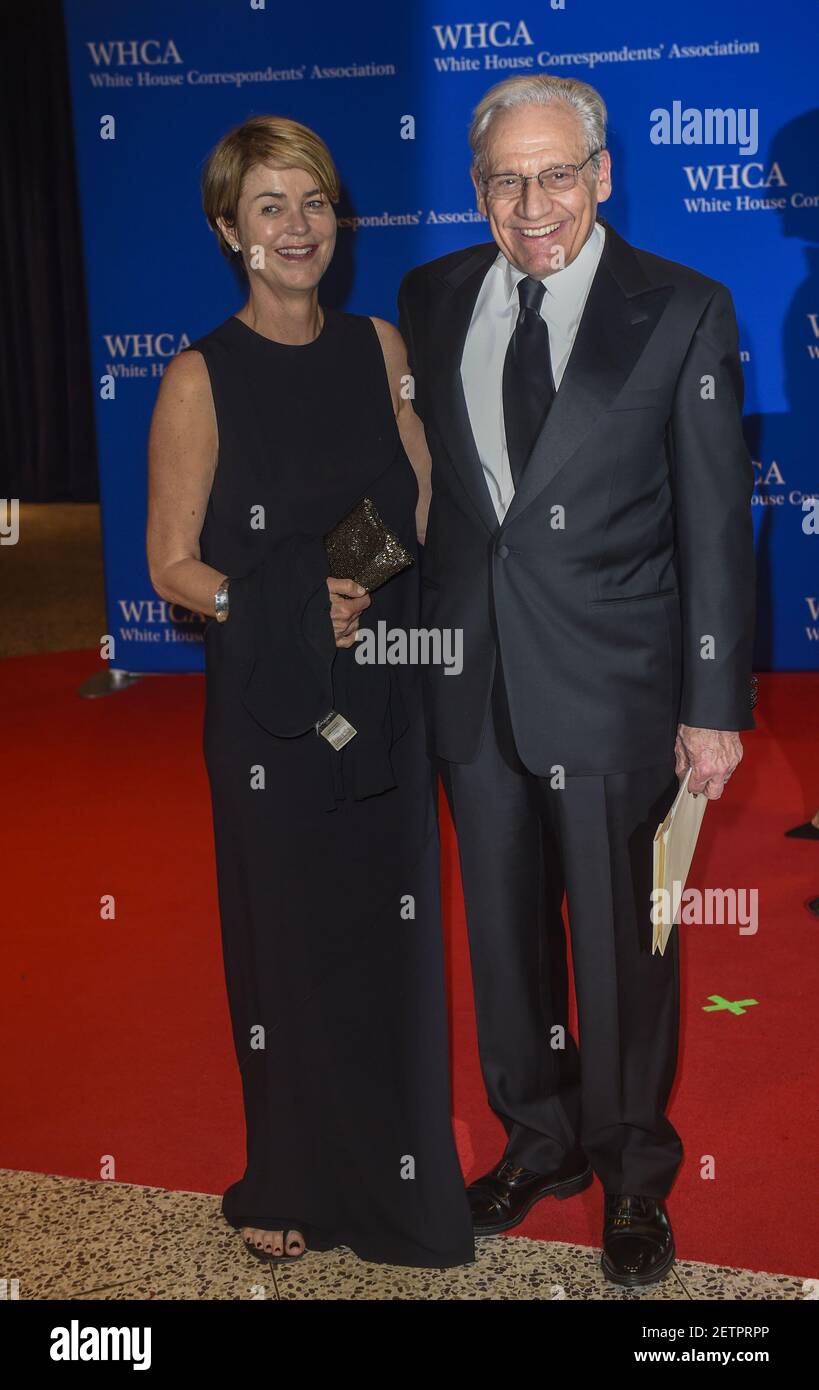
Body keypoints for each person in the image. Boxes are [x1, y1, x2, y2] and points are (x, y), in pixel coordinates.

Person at [398, 75, 756, 1288]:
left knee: (622, 950)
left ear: (603, 176)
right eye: (506, 178)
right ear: (478, 189)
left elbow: (716, 524)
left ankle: (634, 1173)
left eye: (557, 173)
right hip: (474, 683)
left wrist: (713, 706)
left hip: (617, 690)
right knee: (504, 943)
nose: (533, 202)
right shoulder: (435, 295)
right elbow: (425, 498)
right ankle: (537, 1140)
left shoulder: (685, 308)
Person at [146, 114, 474, 1269]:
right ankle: (283, 1175)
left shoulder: (380, 345)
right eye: (271, 208)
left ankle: (397, 1171)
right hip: (271, 714)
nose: (298, 228)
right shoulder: (199, 375)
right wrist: (287, 605)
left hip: (384, 688)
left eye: (315, 204)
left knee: (388, 942)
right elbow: (173, 564)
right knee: (285, 946)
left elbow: (420, 501)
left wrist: (353, 584)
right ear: (230, 229)